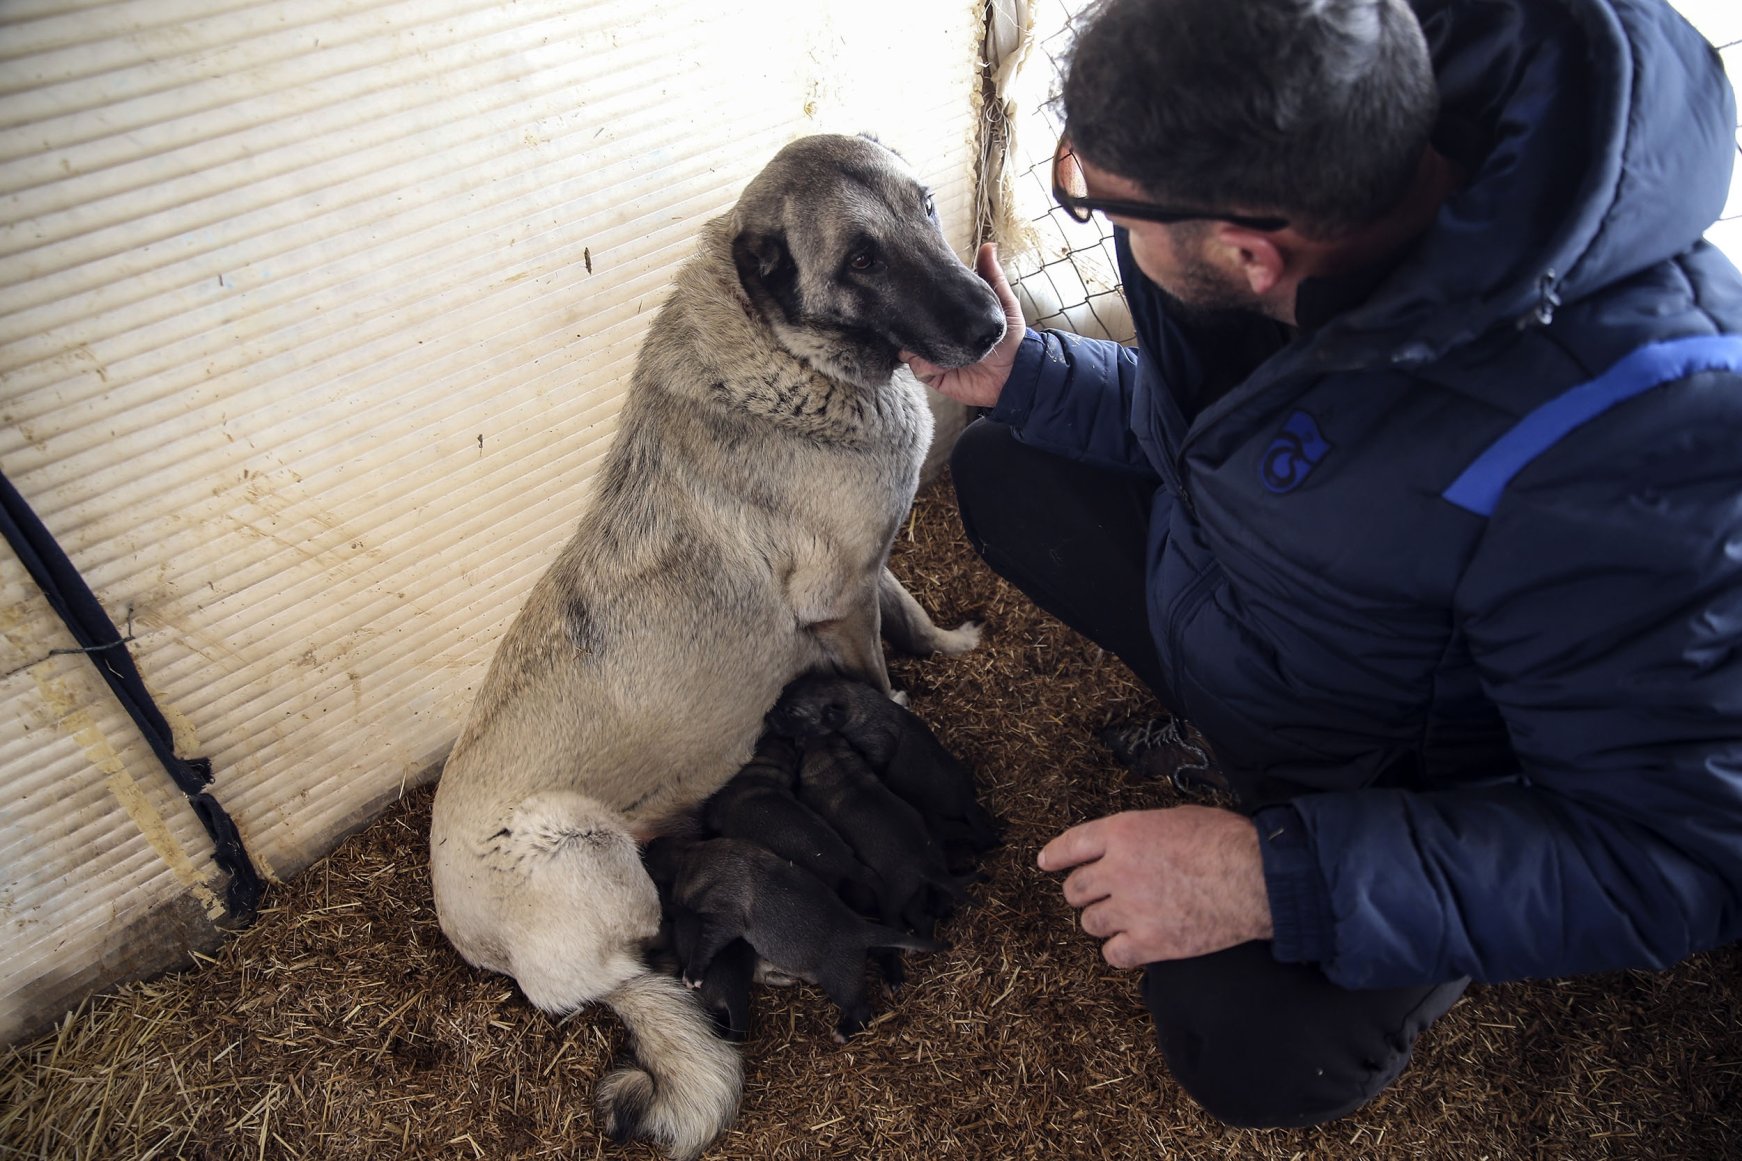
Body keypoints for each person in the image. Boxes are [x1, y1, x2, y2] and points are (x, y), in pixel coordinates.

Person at [903, 0, 1742, 1129]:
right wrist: (1030, 372)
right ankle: (1238, 749)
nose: (1095, 213)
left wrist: (1271, 875)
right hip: (1296, 634)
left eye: (1098, 203)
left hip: (1420, 773)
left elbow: (1675, 856)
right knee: (1008, 466)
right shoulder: (1335, 153)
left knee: (1249, 1049)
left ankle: (1386, 927)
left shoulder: (1641, 449)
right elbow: (1231, 445)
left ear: (1249, 251)